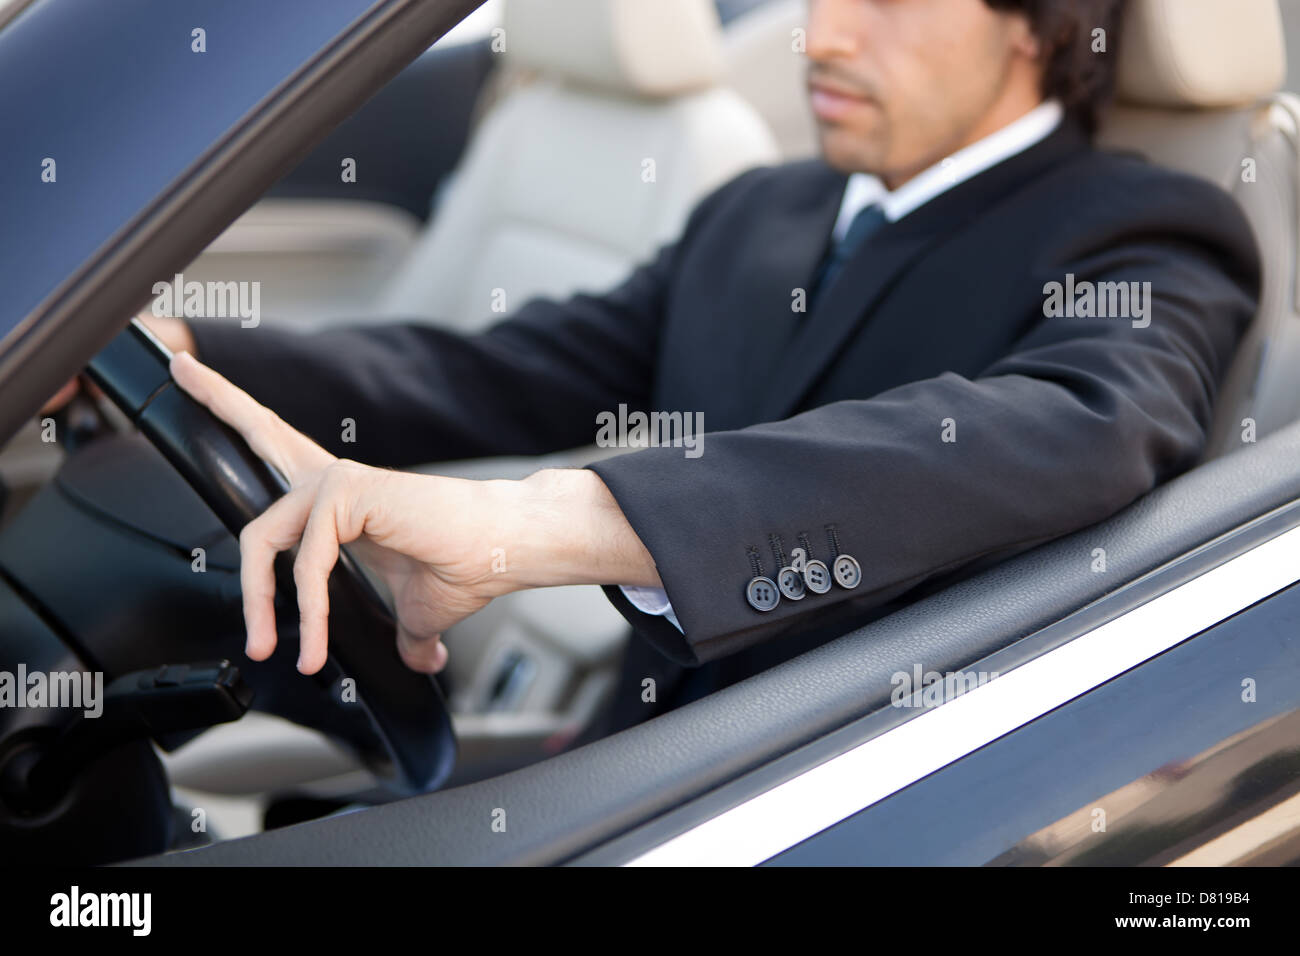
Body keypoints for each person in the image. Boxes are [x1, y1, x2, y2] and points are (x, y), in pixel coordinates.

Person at [70, 0, 1264, 732]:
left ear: (1037, 24)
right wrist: (188, 354)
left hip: (837, 788)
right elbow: (496, 370)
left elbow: (1074, 425)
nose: (825, 30)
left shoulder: (1141, 229)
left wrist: (539, 524)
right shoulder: (764, 209)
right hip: (623, 747)